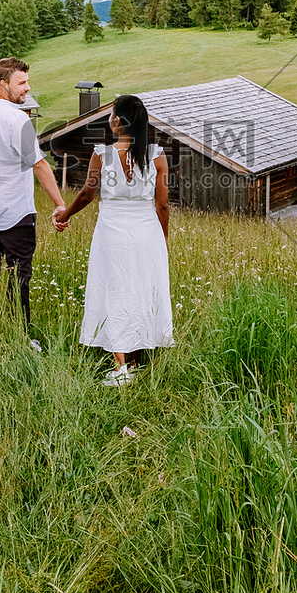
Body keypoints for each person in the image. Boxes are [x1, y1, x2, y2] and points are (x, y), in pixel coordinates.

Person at [54, 94, 173, 386]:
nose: (108, 119)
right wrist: (164, 237)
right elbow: (163, 205)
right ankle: (134, 360)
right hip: (147, 231)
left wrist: (64, 214)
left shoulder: (102, 154)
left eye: (110, 114)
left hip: (112, 232)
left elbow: (87, 195)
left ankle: (121, 368)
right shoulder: (157, 155)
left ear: (118, 121)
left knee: (115, 290)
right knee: (142, 289)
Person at [0, 56, 66, 329]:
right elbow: (40, 164)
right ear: (3, 84)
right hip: (17, 213)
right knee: (19, 276)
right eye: (22, 83)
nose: (28, 88)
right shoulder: (16, 120)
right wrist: (59, 204)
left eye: (27, 81)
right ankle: (21, 335)